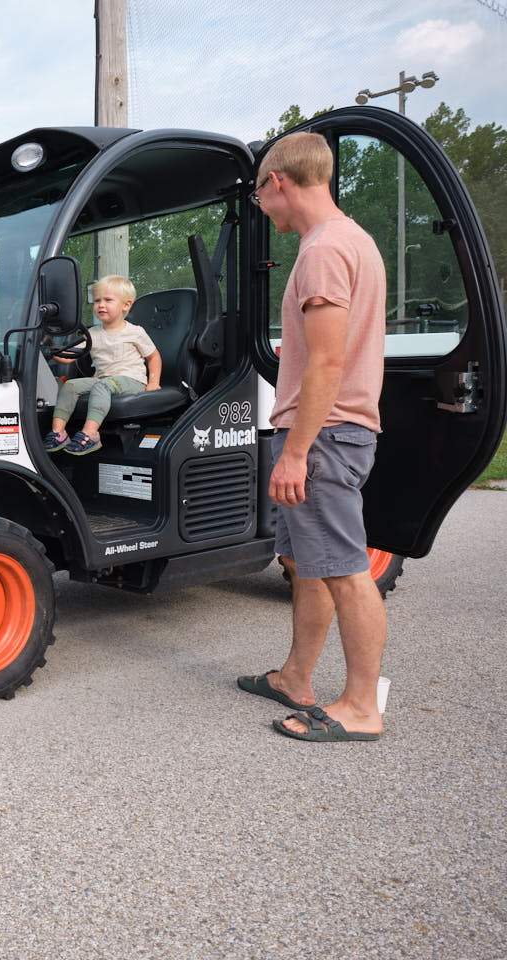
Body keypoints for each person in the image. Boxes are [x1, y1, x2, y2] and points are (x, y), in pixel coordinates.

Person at [235, 131, 387, 742]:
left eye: (260, 195)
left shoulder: (324, 250)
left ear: (279, 182)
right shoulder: (351, 242)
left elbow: (328, 364)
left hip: (323, 436)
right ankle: (297, 675)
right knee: (308, 564)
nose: (262, 208)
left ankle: (360, 708)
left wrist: (296, 451)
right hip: (324, 432)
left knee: (346, 569)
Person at [43, 275, 161, 455]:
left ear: (126, 305)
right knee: (70, 385)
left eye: (108, 300)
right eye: (97, 301)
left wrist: (153, 382)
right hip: (103, 381)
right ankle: (58, 433)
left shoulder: (135, 332)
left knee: (102, 386)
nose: (101, 305)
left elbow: (153, 357)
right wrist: (49, 349)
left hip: (131, 380)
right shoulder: (92, 333)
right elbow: (68, 357)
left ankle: (91, 434)